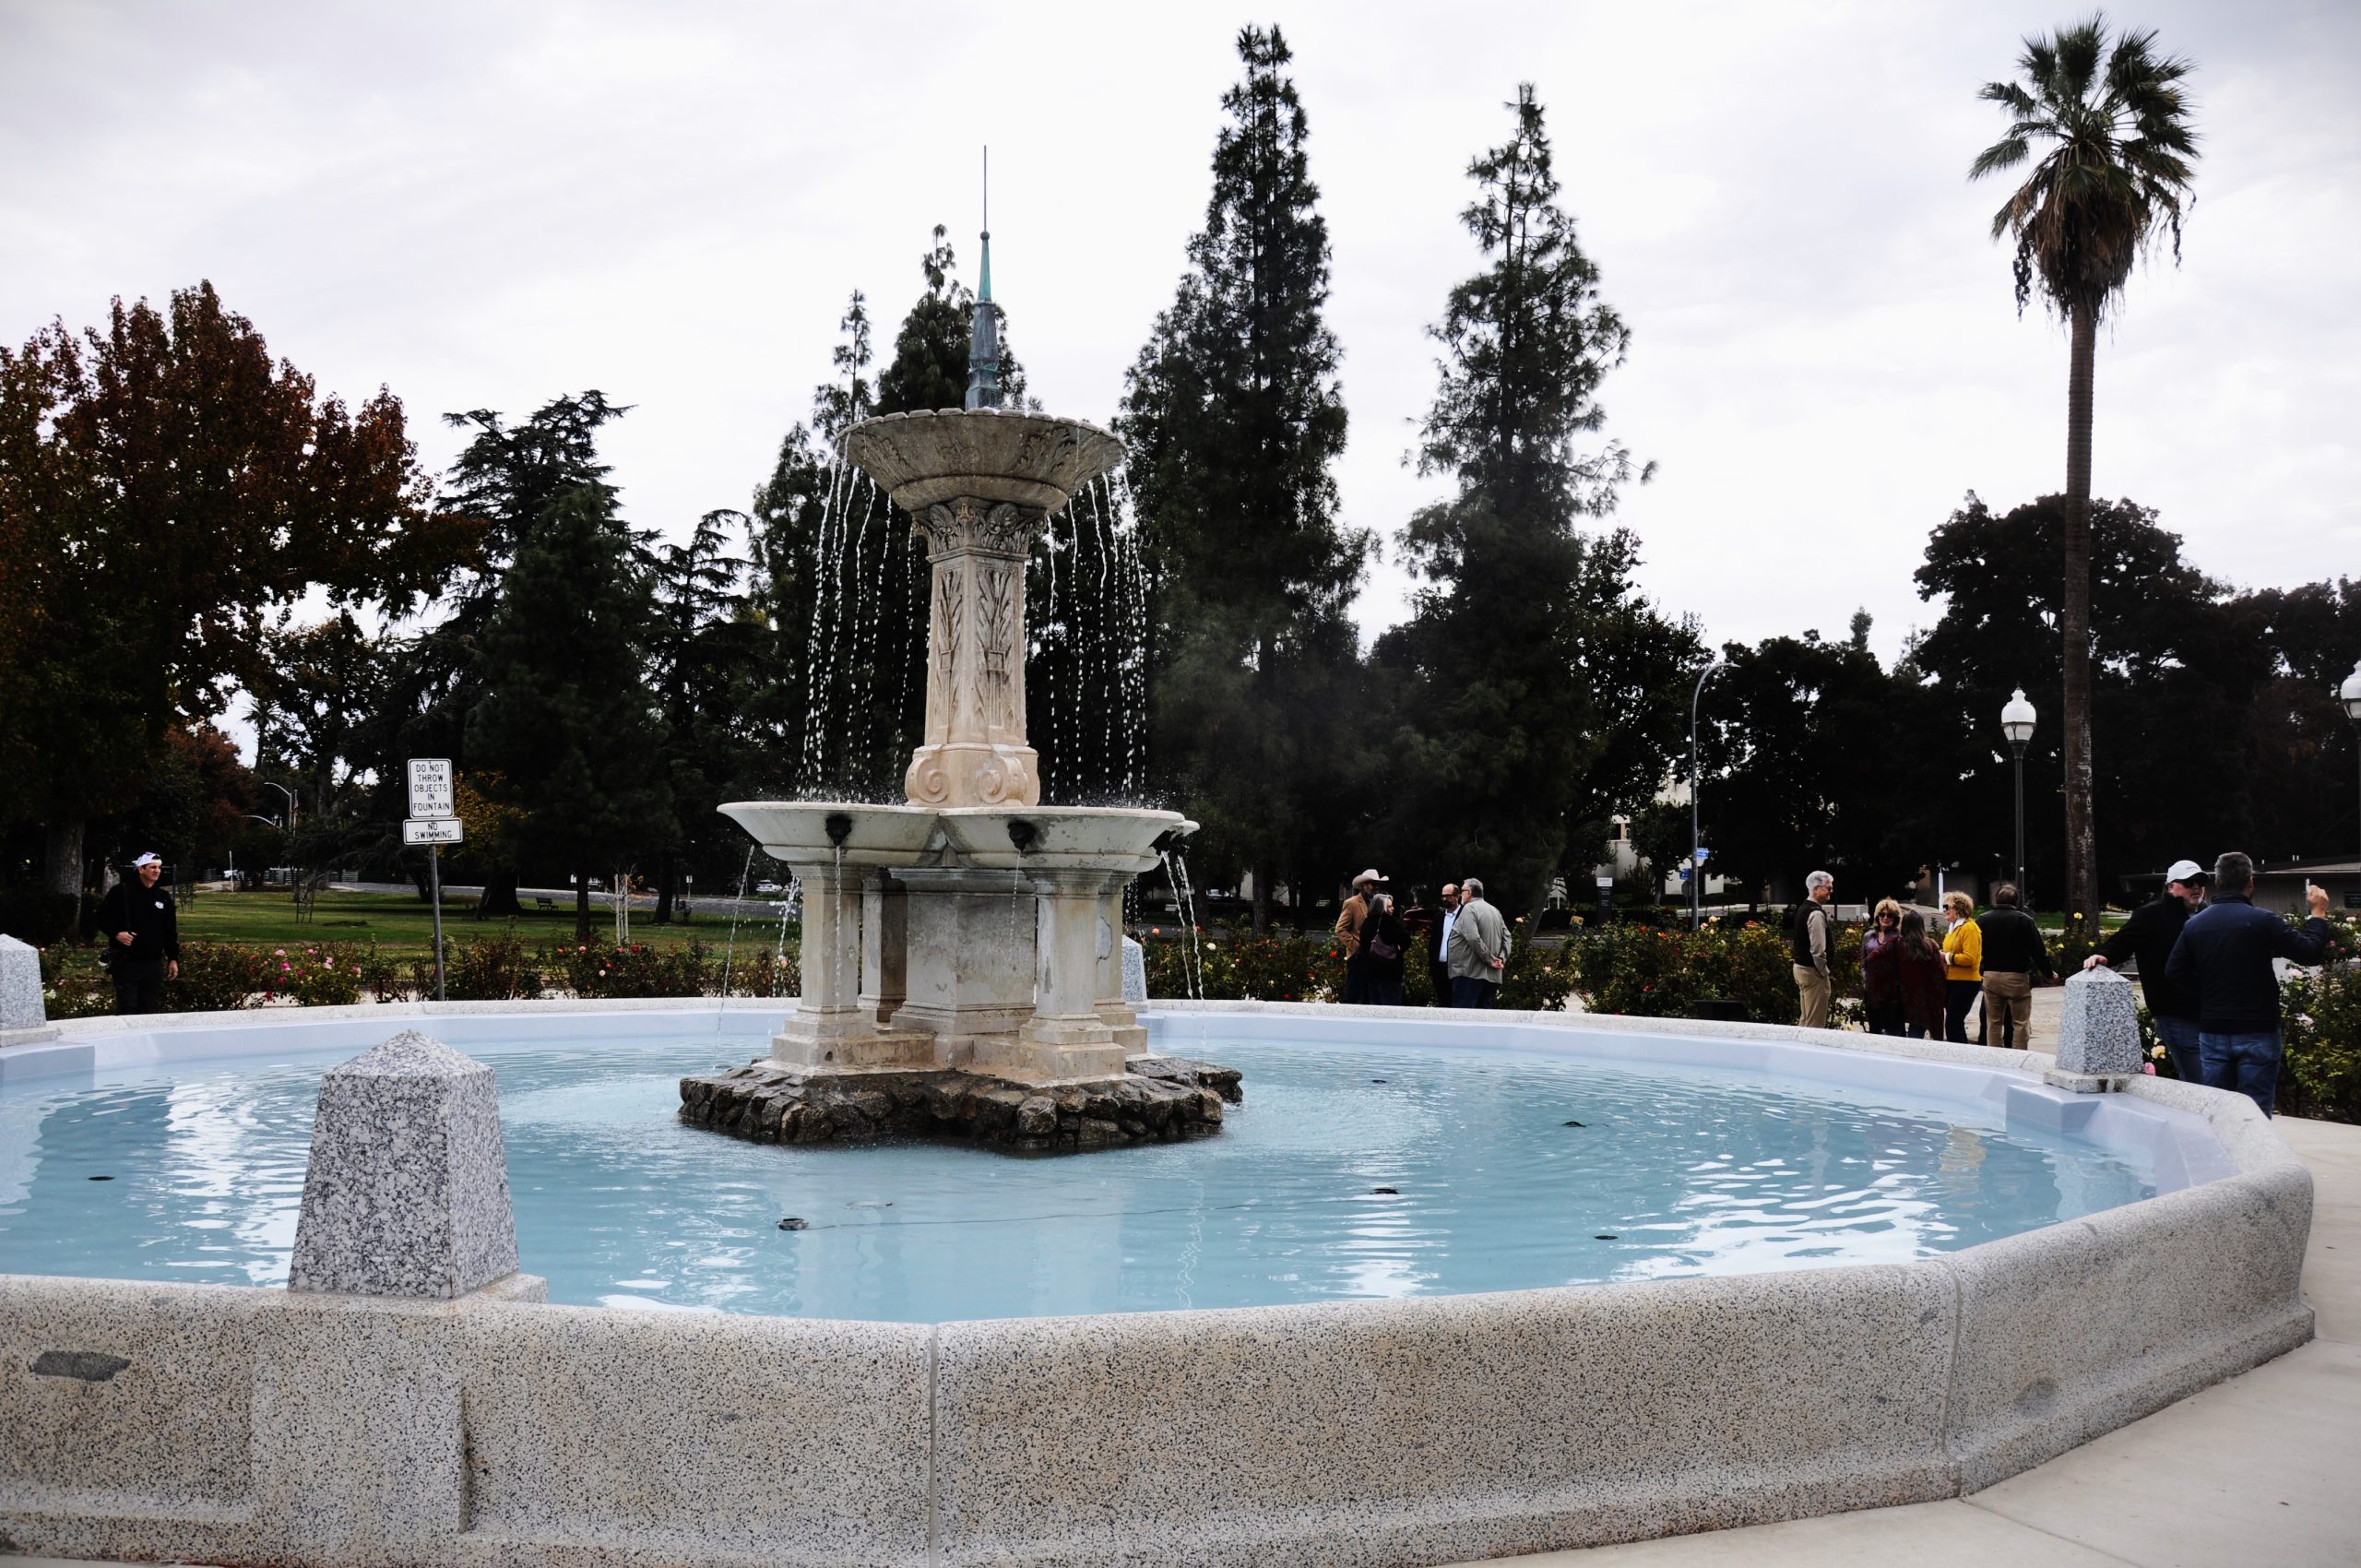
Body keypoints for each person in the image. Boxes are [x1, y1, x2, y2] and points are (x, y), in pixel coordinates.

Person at [2164, 852, 2333, 1117]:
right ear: (2250, 882)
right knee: (2256, 1114)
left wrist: (2208, 996)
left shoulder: (2195, 925)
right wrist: (2318, 914)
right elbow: (2310, 952)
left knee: (2216, 1113)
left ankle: (2218, 1158)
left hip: (2214, 1030)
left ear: (2217, 882)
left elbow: (2174, 971)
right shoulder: (2263, 921)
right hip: (2258, 1030)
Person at [2085, 858, 2209, 1080]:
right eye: (2190, 882)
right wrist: (2104, 955)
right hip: (2176, 1011)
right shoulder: (2152, 914)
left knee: (2213, 1079)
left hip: (2209, 1009)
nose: (2197, 887)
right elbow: (2124, 941)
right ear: (2171, 887)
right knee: (2200, 1080)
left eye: (2200, 881)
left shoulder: (2208, 913)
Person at [94, 851, 180, 1015]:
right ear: (141, 869)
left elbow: (170, 930)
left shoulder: (163, 896)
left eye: (159, 867)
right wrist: (117, 933)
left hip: (153, 963)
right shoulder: (122, 891)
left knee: (147, 1009)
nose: (157, 871)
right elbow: (101, 918)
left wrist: (173, 958)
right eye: (152, 867)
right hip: (127, 961)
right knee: (128, 1009)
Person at [1975, 884, 2054, 1051]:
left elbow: (1976, 949)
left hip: (1991, 974)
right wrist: (2049, 973)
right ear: (2016, 901)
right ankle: (2018, 1054)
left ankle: (1995, 1055)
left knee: (1993, 1021)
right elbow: (2038, 951)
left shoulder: (1982, 920)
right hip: (2016, 976)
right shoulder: (2025, 921)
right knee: (2020, 1021)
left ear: (1996, 899)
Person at [1446, 876, 1509, 1008]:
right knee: (1483, 1018)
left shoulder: (1469, 909)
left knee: (1463, 1018)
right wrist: (1501, 959)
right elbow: (1507, 938)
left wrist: (1491, 960)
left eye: (1462, 891)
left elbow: (1473, 938)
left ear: (1469, 893)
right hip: (1491, 976)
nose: (1460, 895)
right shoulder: (1495, 910)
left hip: (1469, 974)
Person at [1892, 910, 1950, 1039]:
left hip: (1900, 995)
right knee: (1917, 1029)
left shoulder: (1896, 944)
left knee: (1896, 1031)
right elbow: (1938, 974)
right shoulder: (1930, 946)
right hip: (1922, 998)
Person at [1789, 871, 1836, 1028]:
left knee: (1806, 1018)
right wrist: (1823, 971)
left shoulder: (1803, 908)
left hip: (1802, 969)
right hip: (1812, 971)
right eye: (1828, 888)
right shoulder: (1815, 913)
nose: (1831, 891)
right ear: (1816, 889)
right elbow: (1818, 949)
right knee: (1815, 1023)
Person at [1940, 891, 1985, 1043]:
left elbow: (1969, 958)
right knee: (1953, 1023)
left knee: (1953, 1023)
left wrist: (1945, 956)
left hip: (1966, 982)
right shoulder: (1953, 928)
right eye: (1943, 906)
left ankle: (1961, 1055)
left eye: (1947, 906)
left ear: (1958, 908)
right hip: (1952, 980)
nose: (1944, 910)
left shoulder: (1969, 928)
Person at [1335, 869, 1382, 1004]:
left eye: (1378, 884)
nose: (1377, 888)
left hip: (1373, 957)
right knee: (1353, 994)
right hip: (1357, 957)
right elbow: (1340, 929)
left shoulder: (1378, 904)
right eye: (1374, 884)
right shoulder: (1352, 903)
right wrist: (1357, 947)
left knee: (1370, 996)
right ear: (1364, 885)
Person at [1357, 891, 1410, 1007]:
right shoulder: (1388, 922)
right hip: (1389, 974)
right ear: (1382, 908)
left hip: (1371, 974)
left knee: (1374, 1007)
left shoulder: (1367, 922)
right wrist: (1398, 949)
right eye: (1389, 906)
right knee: (1391, 1008)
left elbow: (1364, 944)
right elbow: (1406, 941)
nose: (1393, 909)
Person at [1860, 898, 1905, 1035]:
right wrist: (1865, 979)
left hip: (1892, 992)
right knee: (1875, 1029)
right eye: (1882, 914)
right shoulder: (1869, 936)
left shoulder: (1899, 937)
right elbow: (1863, 961)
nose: (1885, 918)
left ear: (1895, 918)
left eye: (1889, 915)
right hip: (1872, 990)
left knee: (1894, 1031)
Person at [1429, 883, 1461, 1007]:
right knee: (1442, 1002)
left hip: (1456, 968)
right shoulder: (1438, 917)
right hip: (1439, 968)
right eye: (1443, 896)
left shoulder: (1464, 915)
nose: (1445, 899)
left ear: (1457, 896)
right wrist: (1432, 967)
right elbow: (1433, 943)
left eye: (1448, 896)